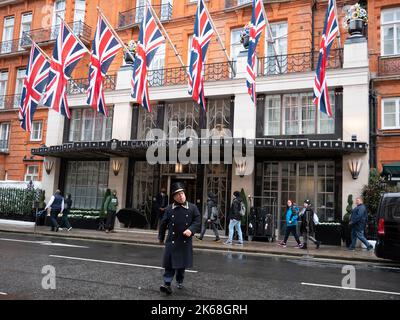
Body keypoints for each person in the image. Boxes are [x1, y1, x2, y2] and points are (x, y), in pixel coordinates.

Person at [158, 182, 201, 295]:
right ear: (174, 197)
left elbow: (197, 221)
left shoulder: (192, 207)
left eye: (182, 193)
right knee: (170, 264)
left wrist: (190, 230)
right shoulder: (169, 209)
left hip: (184, 241)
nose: (181, 196)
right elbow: (163, 224)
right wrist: (161, 237)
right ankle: (167, 284)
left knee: (181, 265)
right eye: (178, 195)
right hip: (172, 240)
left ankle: (180, 280)